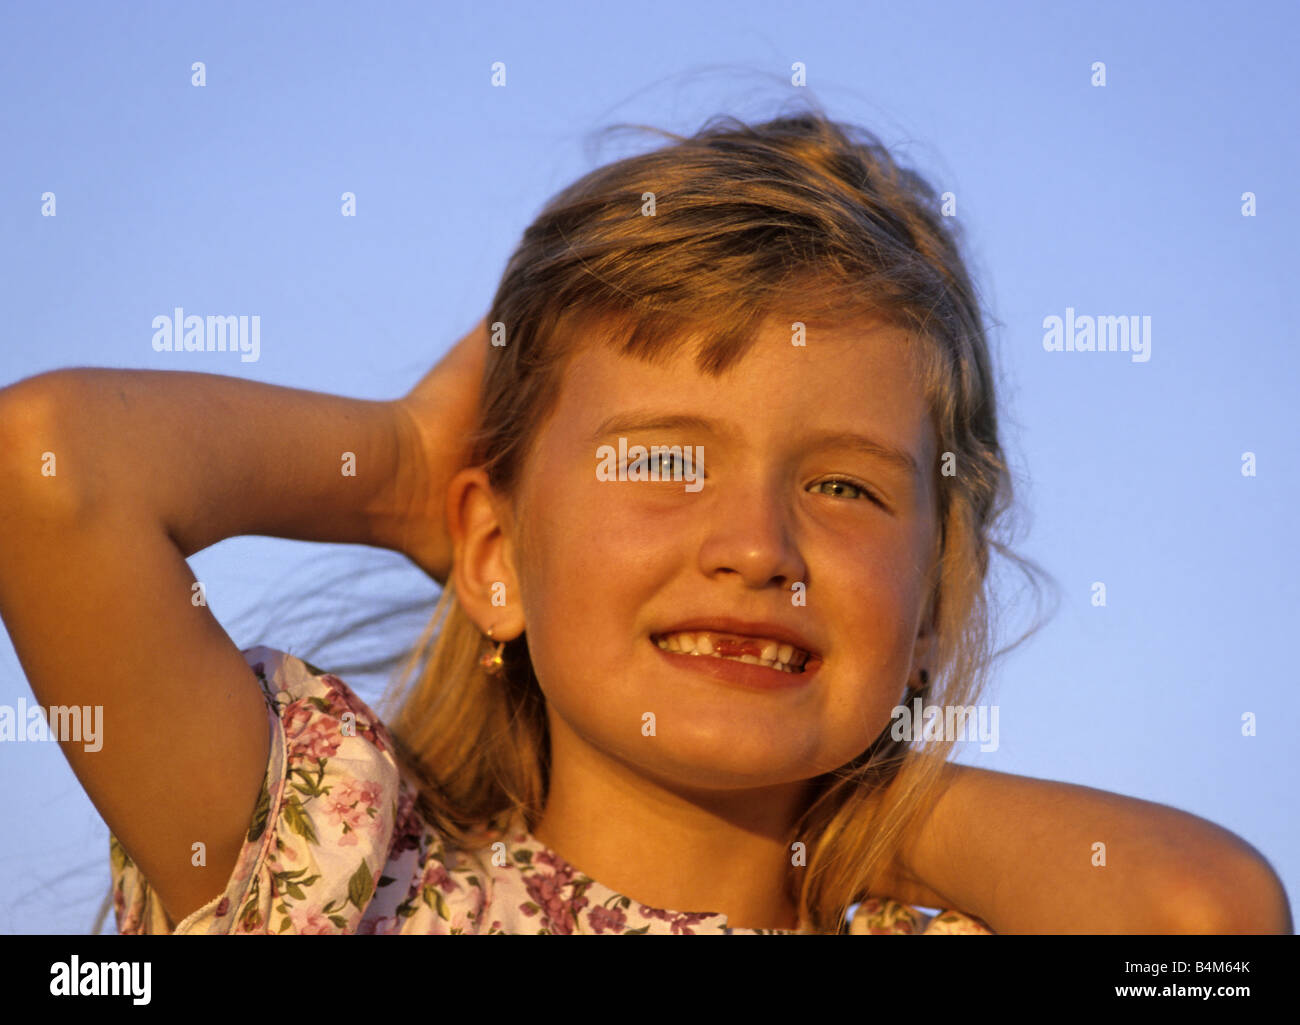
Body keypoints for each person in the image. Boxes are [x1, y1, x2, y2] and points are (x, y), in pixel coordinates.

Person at [0, 105, 1289, 935]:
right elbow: (51, 466)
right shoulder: (343, 875)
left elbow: (1206, 919)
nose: (755, 548)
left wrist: (860, 788)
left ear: (935, 587)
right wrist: (395, 468)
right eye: (667, 458)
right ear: (496, 560)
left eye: (843, 486)